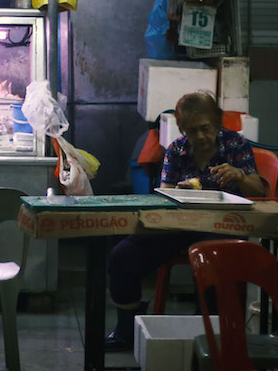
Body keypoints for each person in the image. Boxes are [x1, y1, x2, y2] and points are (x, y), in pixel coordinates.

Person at [104, 90, 268, 350]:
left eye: (206, 128)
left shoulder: (236, 145)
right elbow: (165, 194)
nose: (200, 137)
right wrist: (178, 190)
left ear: (218, 121)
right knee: (122, 257)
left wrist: (238, 176)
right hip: (178, 225)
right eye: (192, 131)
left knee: (212, 263)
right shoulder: (177, 149)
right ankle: (126, 329)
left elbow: (259, 191)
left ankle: (209, 336)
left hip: (221, 226)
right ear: (181, 128)